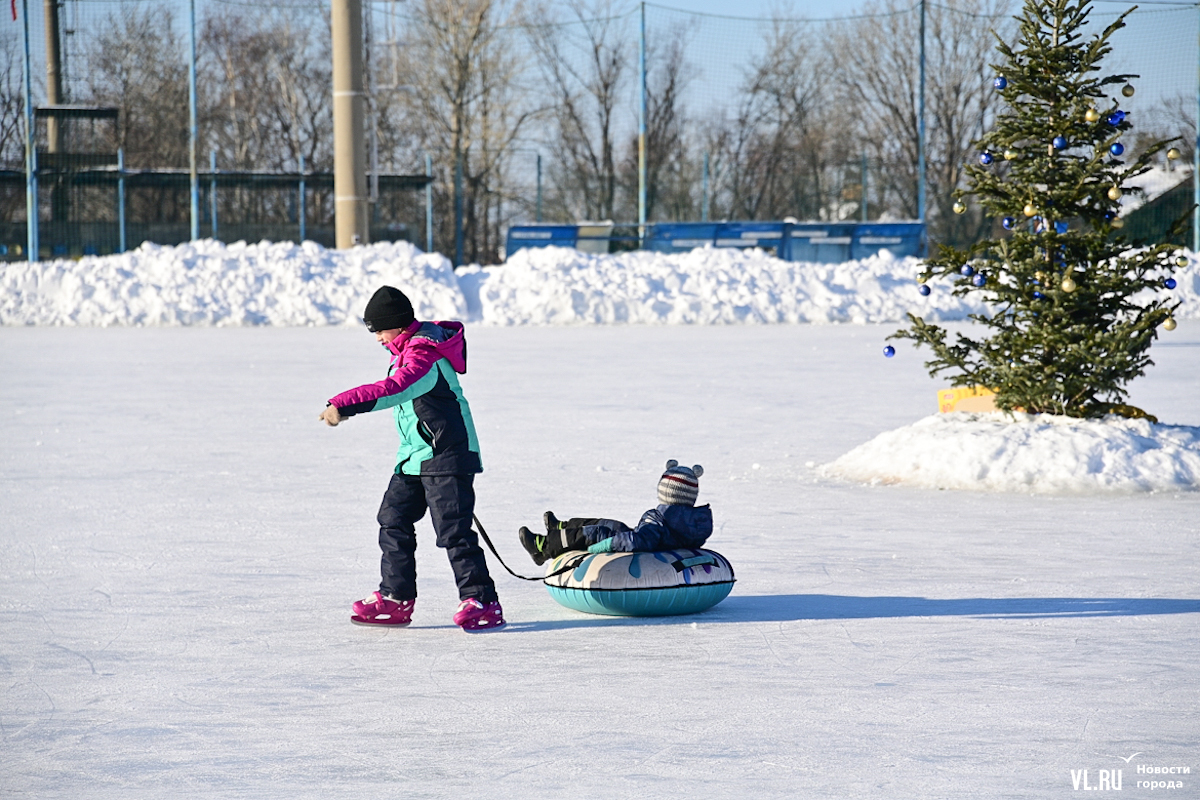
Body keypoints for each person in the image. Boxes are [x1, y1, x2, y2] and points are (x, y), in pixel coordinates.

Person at [319, 286, 504, 632]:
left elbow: (397, 389)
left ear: (398, 325)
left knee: (453, 532)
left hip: (447, 455)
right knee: (392, 518)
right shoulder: (404, 351)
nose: (375, 338)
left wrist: (345, 404)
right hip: (416, 457)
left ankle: (482, 601)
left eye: (378, 329)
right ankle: (396, 597)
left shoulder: (424, 355)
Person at [518, 461, 712, 565]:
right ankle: (562, 526)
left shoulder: (664, 518)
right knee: (613, 524)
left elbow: (640, 541)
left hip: (644, 544)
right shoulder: (687, 520)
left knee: (597, 533)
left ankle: (543, 548)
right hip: (650, 537)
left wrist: (607, 544)